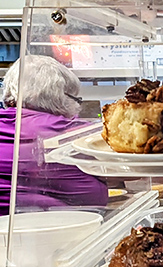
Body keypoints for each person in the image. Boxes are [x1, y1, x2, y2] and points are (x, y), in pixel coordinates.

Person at [0, 54, 108, 214]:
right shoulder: (73, 132)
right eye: (76, 99)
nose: (78, 105)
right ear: (60, 97)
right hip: (63, 231)